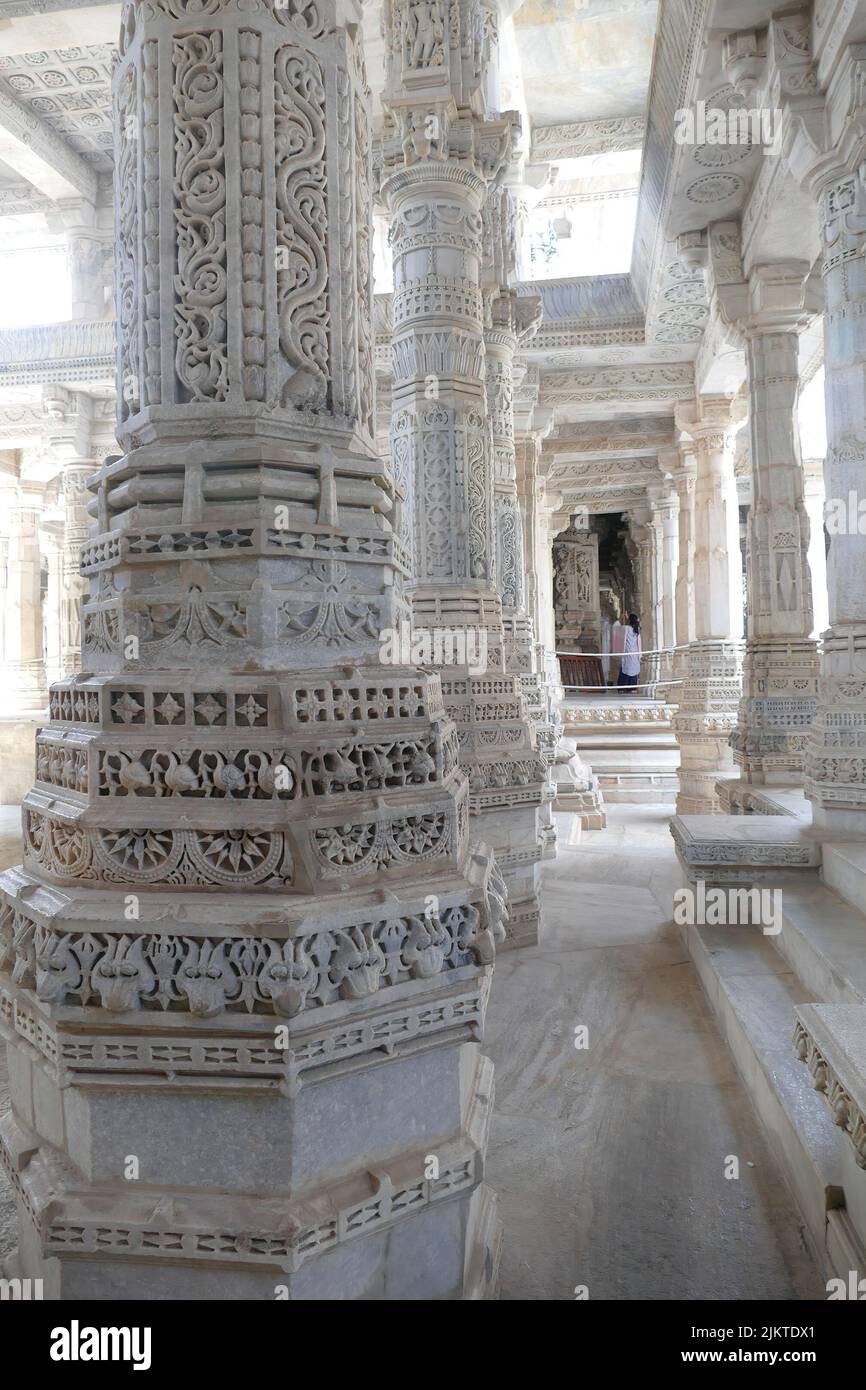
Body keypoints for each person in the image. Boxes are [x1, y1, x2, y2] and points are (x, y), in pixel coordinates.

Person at [617, 613, 641, 690]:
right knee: (632, 670)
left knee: (625, 669)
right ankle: (632, 688)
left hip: (627, 652)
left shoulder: (626, 628)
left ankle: (622, 688)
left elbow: (618, 629)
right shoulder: (637, 629)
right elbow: (639, 643)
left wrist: (620, 618)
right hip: (635, 652)